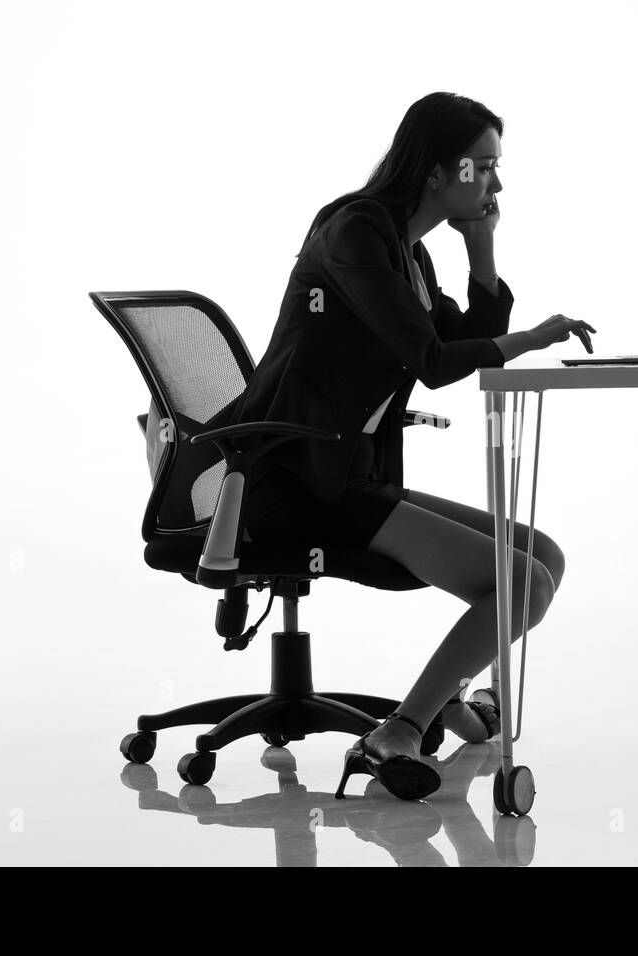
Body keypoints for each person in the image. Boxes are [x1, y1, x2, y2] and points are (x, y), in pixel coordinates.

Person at [231, 92, 597, 800]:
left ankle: (448, 706)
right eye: (484, 167)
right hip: (294, 483)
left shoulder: (410, 252)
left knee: (542, 556)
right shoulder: (354, 232)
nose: (496, 184)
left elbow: (464, 344)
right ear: (438, 170)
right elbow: (431, 358)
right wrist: (531, 337)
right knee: (522, 582)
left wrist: (481, 246)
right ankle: (402, 729)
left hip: (349, 479)